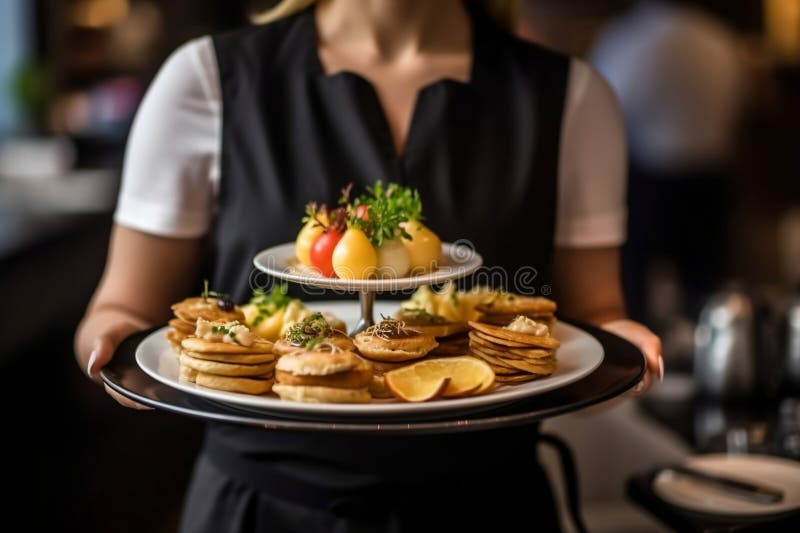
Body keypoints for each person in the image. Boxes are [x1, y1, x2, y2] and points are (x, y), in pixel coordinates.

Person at [75, 1, 663, 531]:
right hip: (261, 510)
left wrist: (619, 351)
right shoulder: (205, 80)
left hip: (491, 508)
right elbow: (122, 309)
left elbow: (594, 316)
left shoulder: (571, 96)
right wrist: (112, 341)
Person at [589, 0, 745, 321]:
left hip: (652, 181)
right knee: (705, 284)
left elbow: (605, 104)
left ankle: (643, 349)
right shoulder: (720, 38)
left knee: (636, 283)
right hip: (712, 179)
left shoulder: (630, 38)